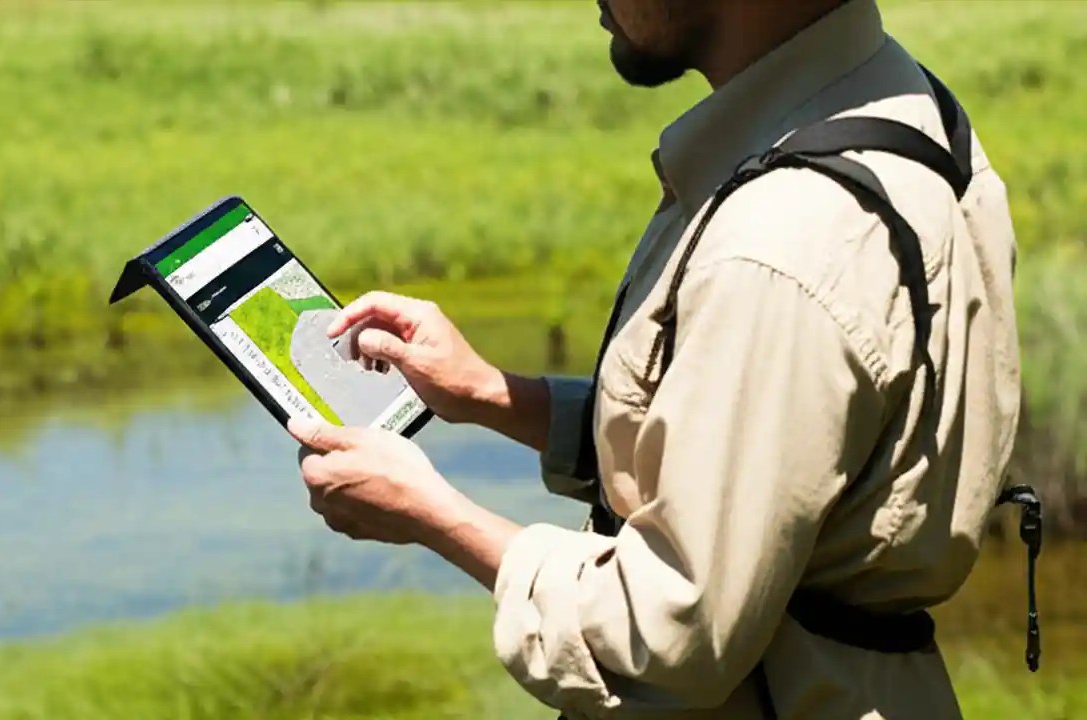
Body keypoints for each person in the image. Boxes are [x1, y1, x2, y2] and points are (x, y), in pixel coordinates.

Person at [287, 0, 1022, 717]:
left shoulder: (777, 246)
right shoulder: (904, 106)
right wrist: (491, 393)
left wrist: (430, 512)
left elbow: (672, 632)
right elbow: (794, 457)